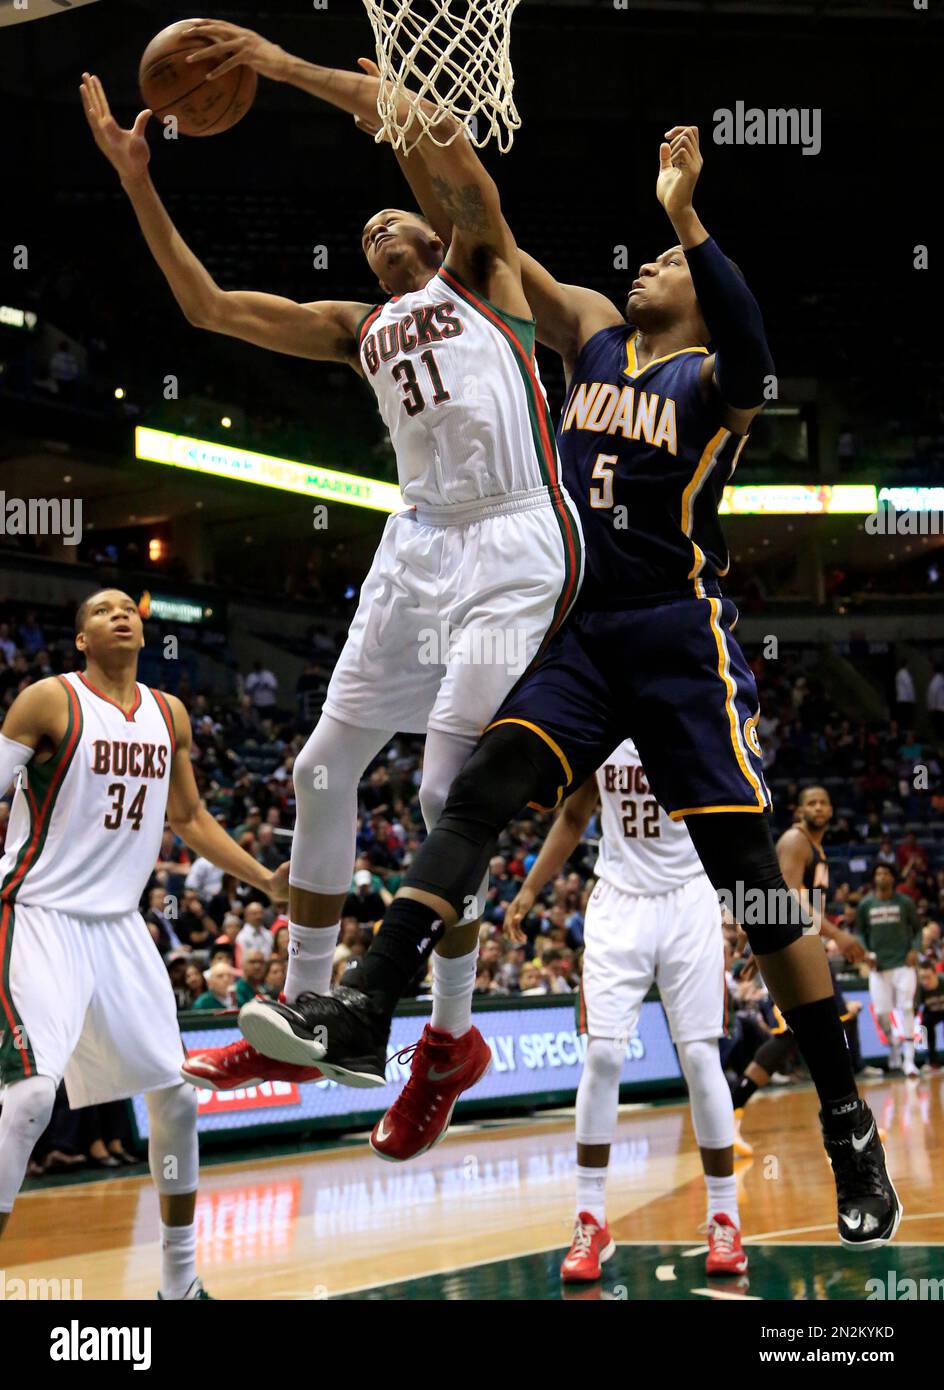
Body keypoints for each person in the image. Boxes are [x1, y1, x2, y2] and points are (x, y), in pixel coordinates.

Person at [240, 113, 899, 1249]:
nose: (640, 268)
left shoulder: (715, 376)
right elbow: (481, 237)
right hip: (581, 628)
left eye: (664, 265)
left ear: (694, 285)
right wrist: (403, 126)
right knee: (480, 788)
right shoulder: (591, 333)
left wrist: (686, 216)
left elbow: (747, 334)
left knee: (746, 870)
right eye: (646, 256)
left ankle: (844, 1113)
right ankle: (366, 999)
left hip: (675, 635)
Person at [80, 29, 582, 1093]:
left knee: (448, 785)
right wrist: (137, 180)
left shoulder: (485, 273)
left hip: (511, 535)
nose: (378, 228)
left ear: (430, 232)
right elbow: (207, 307)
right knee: (317, 769)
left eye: (393, 216)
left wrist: (282, 64)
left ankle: (446, 1038)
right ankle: (300, 1015)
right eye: (363, 230)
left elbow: (439, 142)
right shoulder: (359, 330)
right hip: (415, 542)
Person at [0, 589, 288, 1299]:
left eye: (128, 607)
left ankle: (180, 1285)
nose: (120, 614)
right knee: (31, 1099)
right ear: (80, 640)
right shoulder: (47, 701)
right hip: (40, 914)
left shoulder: (169, 714)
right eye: (101, 611)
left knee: (178, 1099)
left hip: (120, 926)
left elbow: (189, 816)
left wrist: (264, 880)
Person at [502, 739, 745, 1281]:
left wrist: (751, 905)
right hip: (618, 902)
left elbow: (735, 821)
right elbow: (573, 814)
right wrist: (529, 889)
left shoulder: (695, 711)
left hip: (690, 899)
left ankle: (724, 1215)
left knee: (702, 1058)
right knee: (605, 1057)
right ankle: (590, 1219)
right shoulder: (604, 719)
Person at [729, 787, 865, 1154]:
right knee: (797, 1034)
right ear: (799, 810)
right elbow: (782, 899)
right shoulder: (795, 840)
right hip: (789, 946)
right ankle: (732, 1110)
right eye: (811, 802)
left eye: (824, 801)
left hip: (803, 944)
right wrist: (838, 934)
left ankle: (851, 1119)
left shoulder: (816, 849)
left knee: (812, 1032)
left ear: (832, 809)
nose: (818, 807)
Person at [855, 864, 922, 1078]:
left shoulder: (905, 902)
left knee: (907, 1009)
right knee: (882, 1013)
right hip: (879, 967)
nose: (881, 876)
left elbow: (918, 929)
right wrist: (865, 953)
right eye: (878, 873)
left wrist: (915, 949)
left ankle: (909, 1061)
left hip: (904, 964)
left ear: (893, 878)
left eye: (885, 873)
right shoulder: (866, 904)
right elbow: (860, 933)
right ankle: (893, 1043)